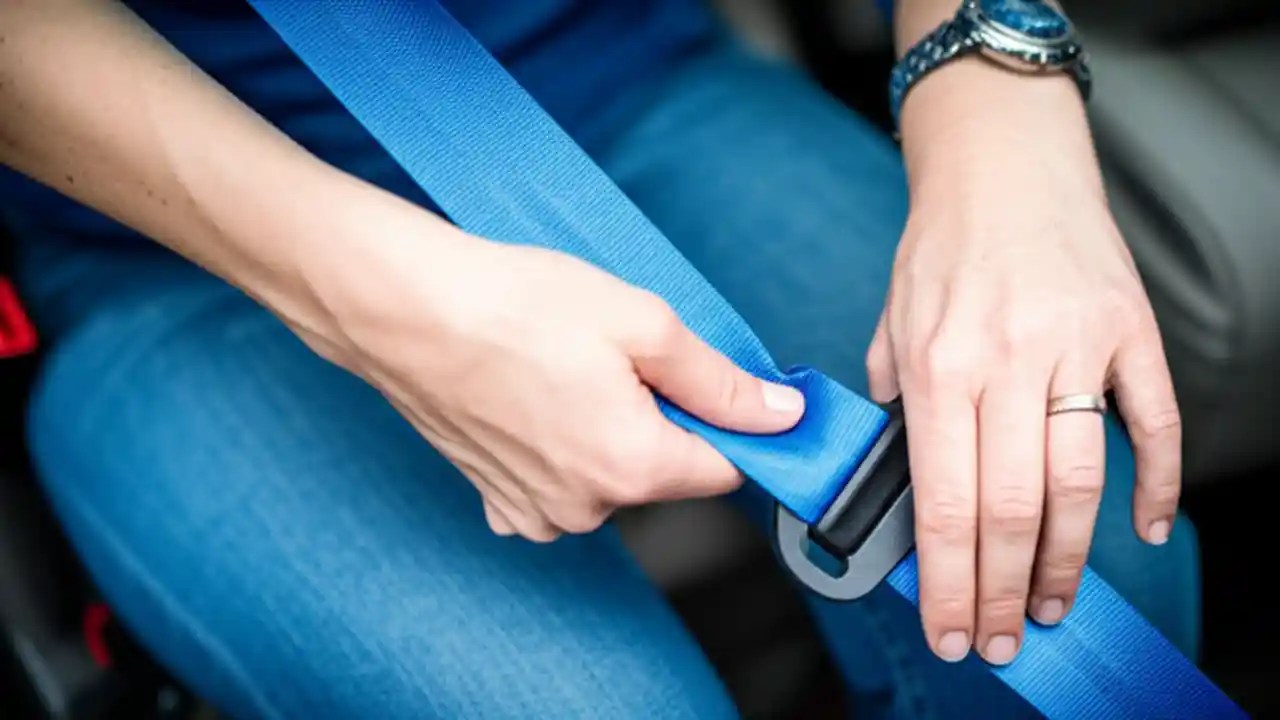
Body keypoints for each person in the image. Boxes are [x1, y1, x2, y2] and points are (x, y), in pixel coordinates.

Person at [0, 1, 1199, 717]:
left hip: (624, 84)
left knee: (1082, 591)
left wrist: (1001, 95)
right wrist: (365, 300)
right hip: (167, 241)